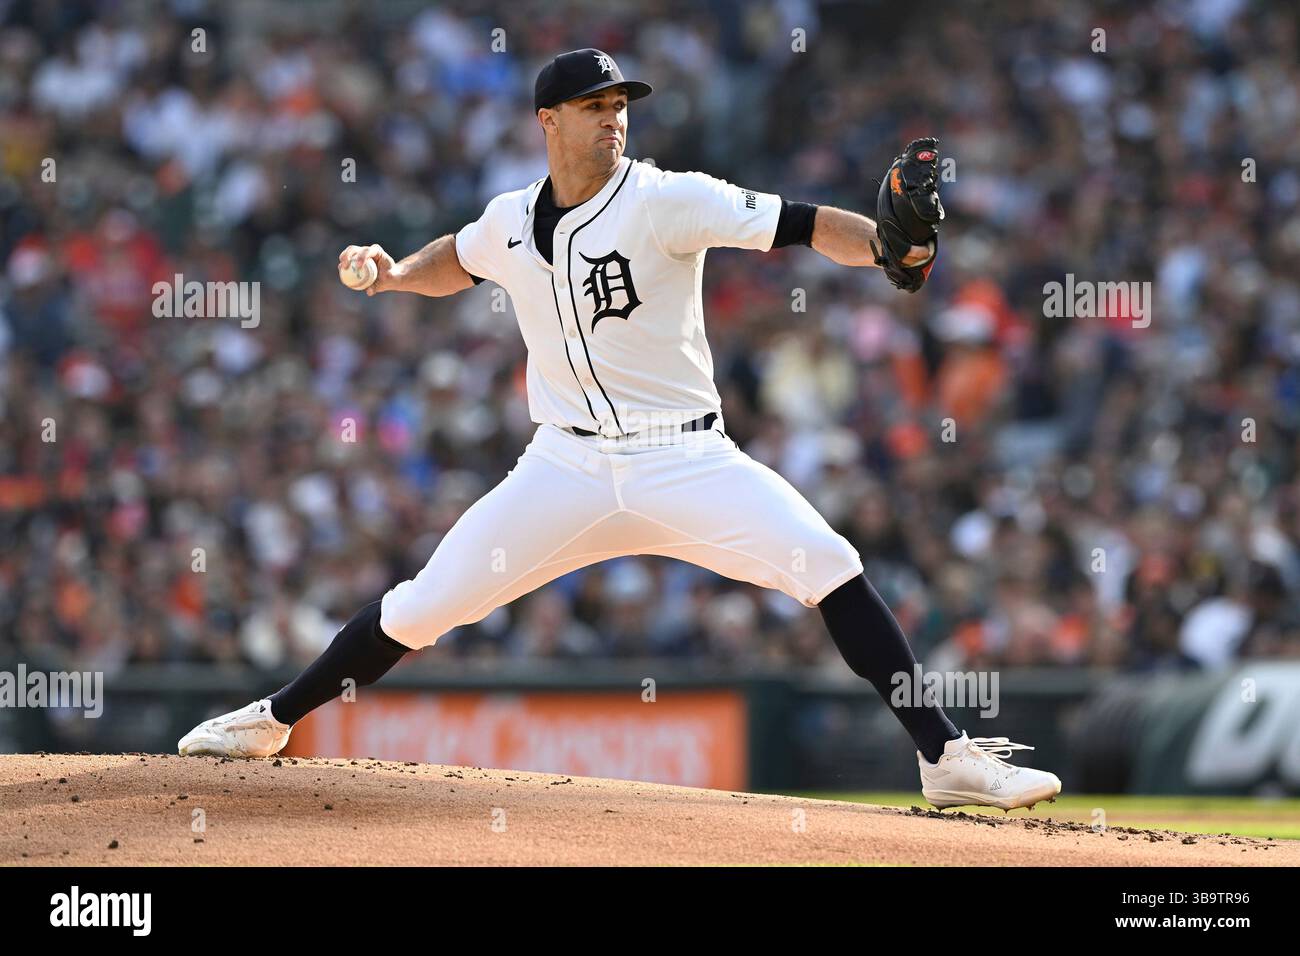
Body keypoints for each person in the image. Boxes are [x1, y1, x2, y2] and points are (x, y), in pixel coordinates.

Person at [179, 48, 1061, 811]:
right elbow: (458, 258)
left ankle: (946, 757)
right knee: (424, 604)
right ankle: (273, 721)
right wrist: (392, 272)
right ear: (548, 121)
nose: (614, 121)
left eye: (620, 107)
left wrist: (886, 250)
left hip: (685, 455)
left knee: (829, 563)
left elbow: (798, 223)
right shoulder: (507, 219)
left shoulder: (667, 198)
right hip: (561, 466)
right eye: (595, 108)